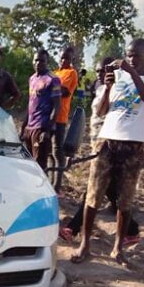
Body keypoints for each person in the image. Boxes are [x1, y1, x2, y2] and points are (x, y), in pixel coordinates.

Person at [72, 38, 144, 263]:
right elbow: (103, 110)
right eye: (129, 54)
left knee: (125, 199)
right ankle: (85, 244)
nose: (132, 58)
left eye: (137, 55)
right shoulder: (118, 77)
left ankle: (118, 248)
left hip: (133, 145)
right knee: (93, 194)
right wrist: (109, 87)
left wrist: (131, 72)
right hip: (107, 141)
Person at [60, 57, 140, 244]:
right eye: (98, 72)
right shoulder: (101, 89)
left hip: (111, 147)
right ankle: (132, 230)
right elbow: (97, 112)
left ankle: (72, 228)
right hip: (99, 145)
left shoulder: (122, 92)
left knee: (95, 189)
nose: (100, 75)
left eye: (105, 71)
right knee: (110, 191)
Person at [23, 49, 61, 170]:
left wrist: (47, 130)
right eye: (36, 60)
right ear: (33, 62)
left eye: (42, 61)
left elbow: (56, 106)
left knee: (39, 166)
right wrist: (24, 127)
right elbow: (30, 104)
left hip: (41, 127)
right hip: (30, 127)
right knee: (28, 163)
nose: (38, 63)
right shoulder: (32, 79)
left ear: (47, 62)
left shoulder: (53, 80)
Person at [51, 47, 79, 194]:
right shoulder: (55, 73)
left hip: (60, 116)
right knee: (48, 151)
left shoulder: (71, 73)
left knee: (57, 151)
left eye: (67, 58)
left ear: (71, 60)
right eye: (62, 58)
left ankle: (57, 185)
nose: (64, 61)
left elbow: (65, 91)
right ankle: (50, 182)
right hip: (48, 115)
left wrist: (47, 87)